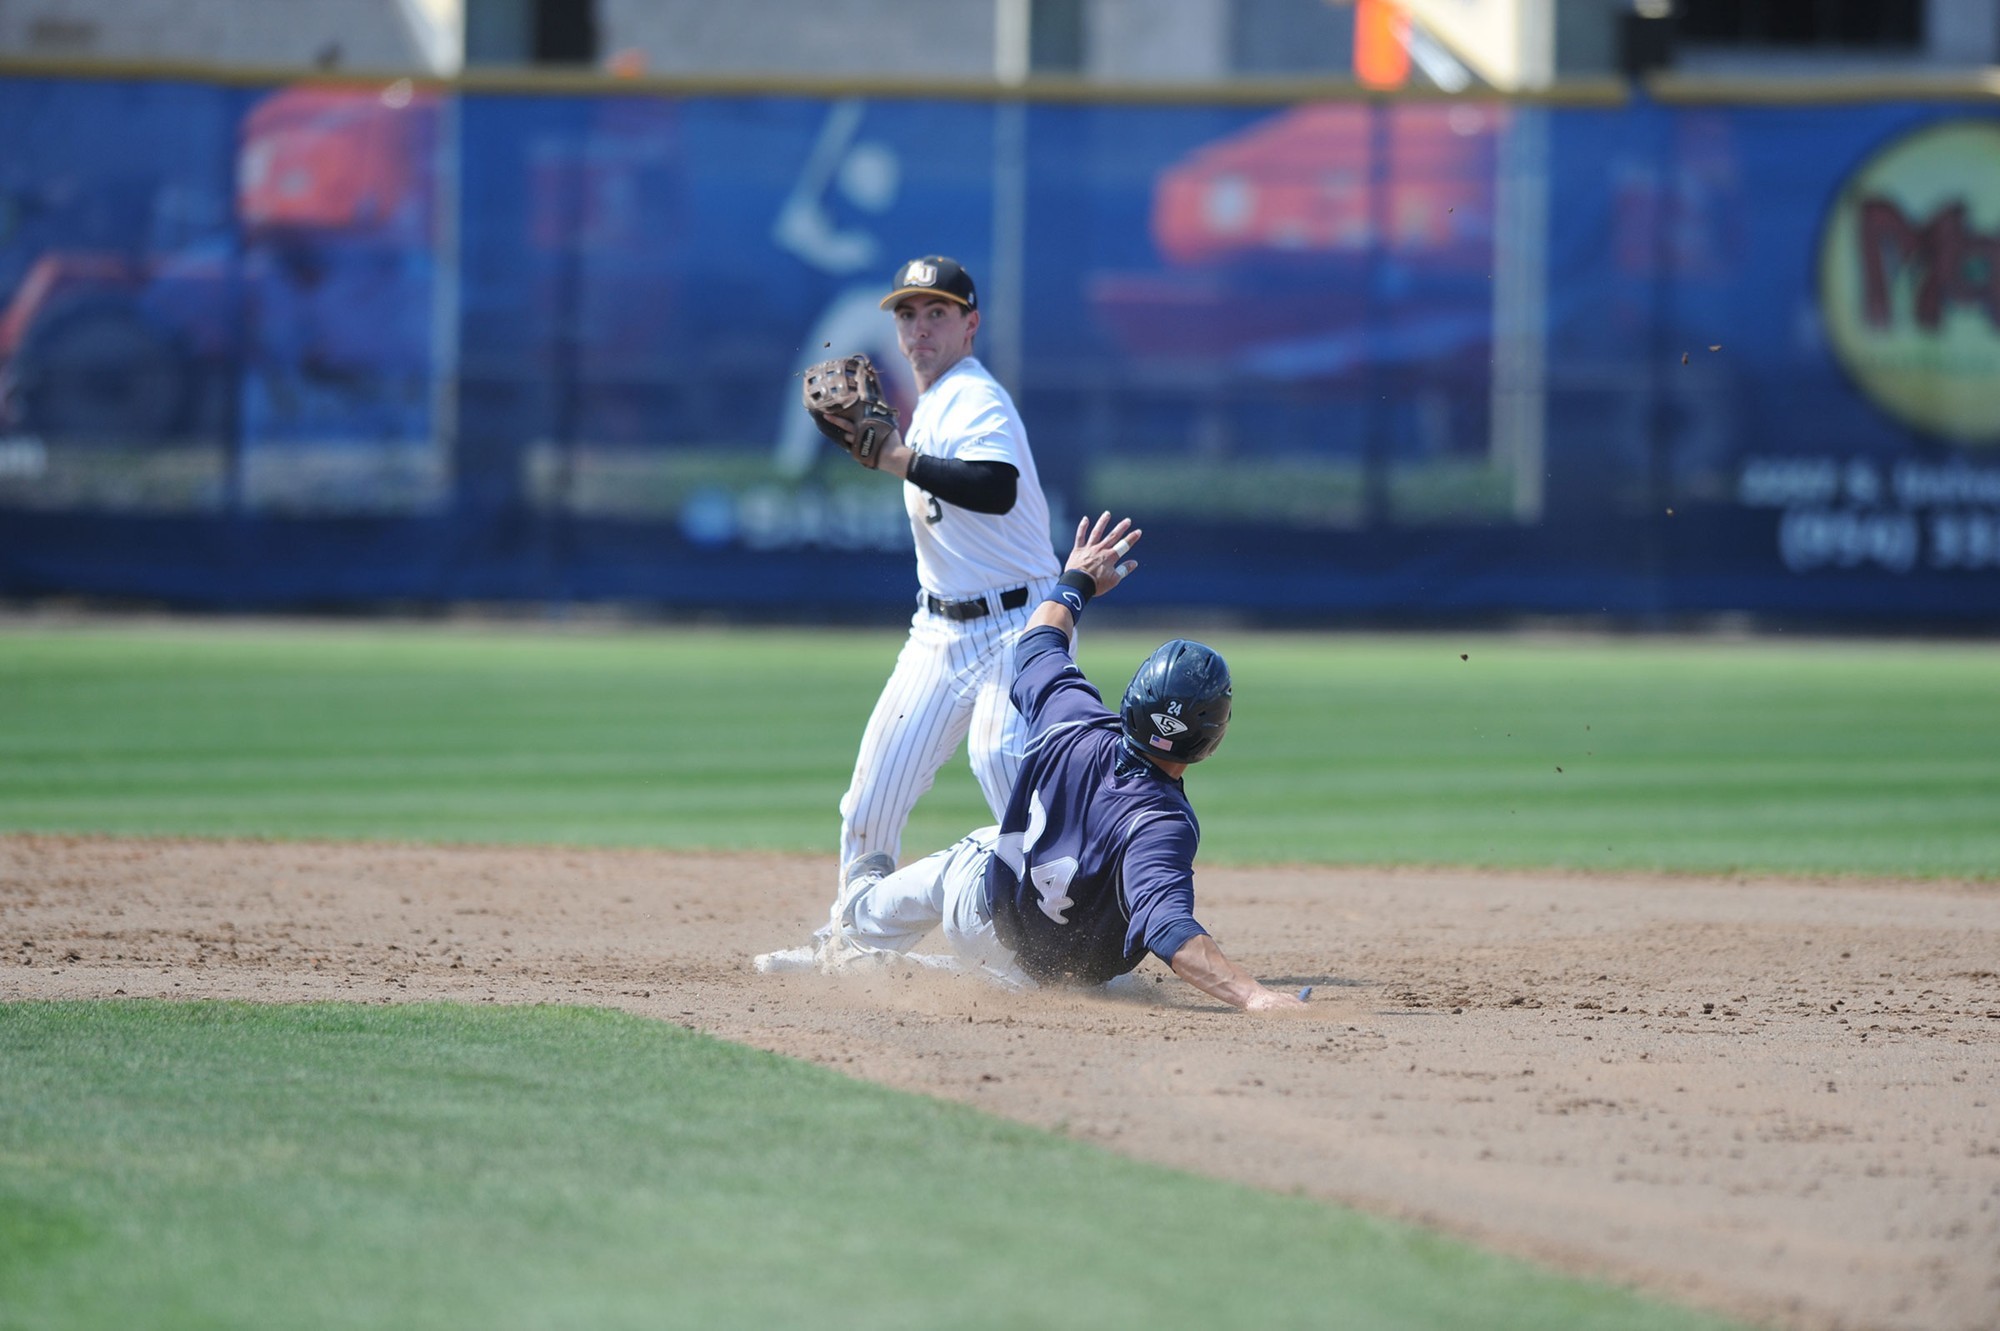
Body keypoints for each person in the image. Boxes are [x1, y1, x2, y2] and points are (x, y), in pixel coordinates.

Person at [759, 512, 1308, 1014]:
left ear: (1133, 698)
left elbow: (1038, 643)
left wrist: (1077, 581)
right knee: (1117, 982)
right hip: (1055, 974)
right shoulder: (1161, 825)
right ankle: (875, 949)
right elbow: (1170, 931)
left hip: (979, 917)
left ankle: (858, 923)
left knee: (974, 851)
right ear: (1208, 740)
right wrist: (1253, 996)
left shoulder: (1070, 719)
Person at [820, 254, 1061, 886]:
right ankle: (855, 941)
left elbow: (995, 487)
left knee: (1003, 759)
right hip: (937, 630)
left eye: (937, 313)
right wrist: (902, 451)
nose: (919, 328)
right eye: (907, 314)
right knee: (871, 799)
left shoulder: (975, 395)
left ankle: (1070, 935)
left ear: (970, 323)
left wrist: (898, 458)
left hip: (1018, 621)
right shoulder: (928, 403)